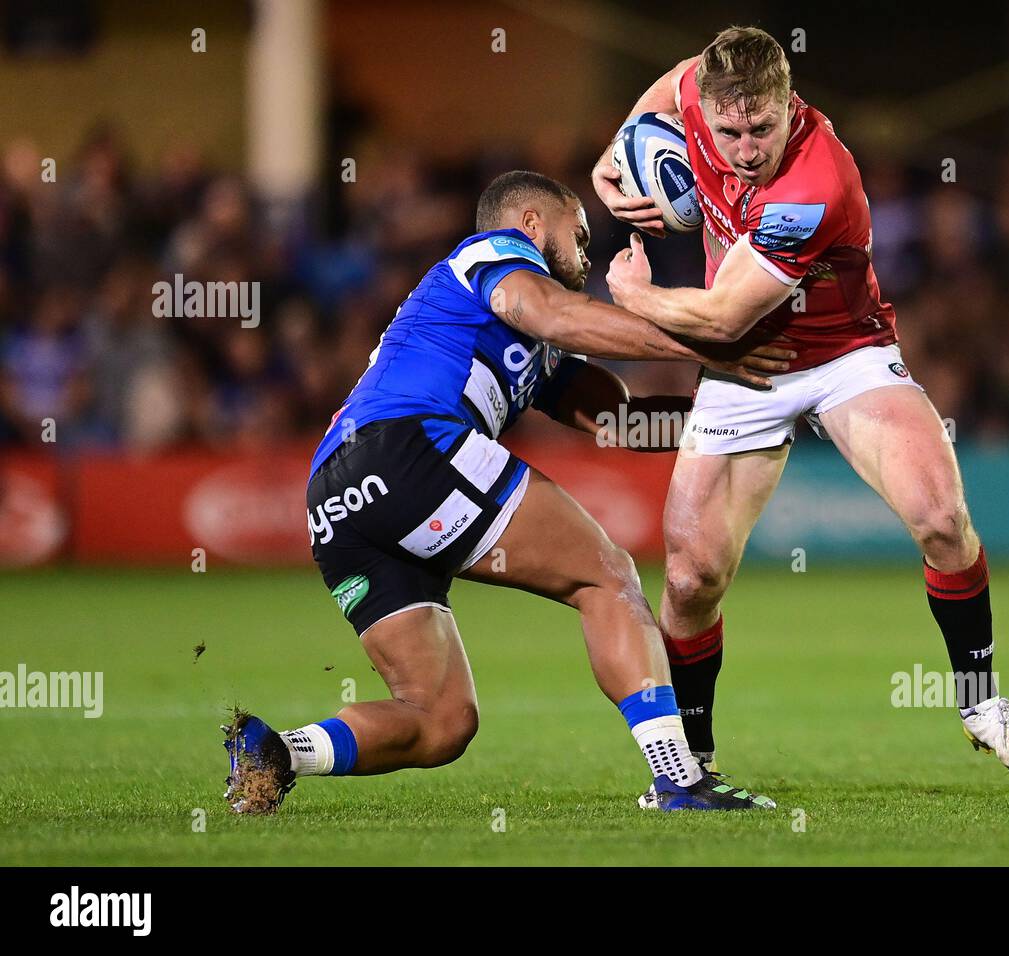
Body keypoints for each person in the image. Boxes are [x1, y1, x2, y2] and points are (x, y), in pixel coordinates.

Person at [222, 171, 791, 814]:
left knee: (439, 720)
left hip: (337, 500)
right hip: (411, 447)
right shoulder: (493, 256)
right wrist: (706, 336)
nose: (587, 250)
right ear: (528, 223)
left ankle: (276, 752)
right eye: (576, 232)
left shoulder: (521, 332)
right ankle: (678, 779)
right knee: (605, 577)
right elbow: (557, 314)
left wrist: (743, 411)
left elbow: (616, 417)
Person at [591, 28, 1009, 804]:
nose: (743, 148)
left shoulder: (817, 179)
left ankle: (979, 701)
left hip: (841, 354)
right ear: (708, 105)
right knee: (690, 576)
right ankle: (693, 764)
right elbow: (652, 110)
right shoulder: (693, 90)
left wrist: (633, 296)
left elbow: (722, 316)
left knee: (942, 518)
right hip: (746, 372)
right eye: (729, 130)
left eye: (761, 129)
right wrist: (615, 166)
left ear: (789, 104)